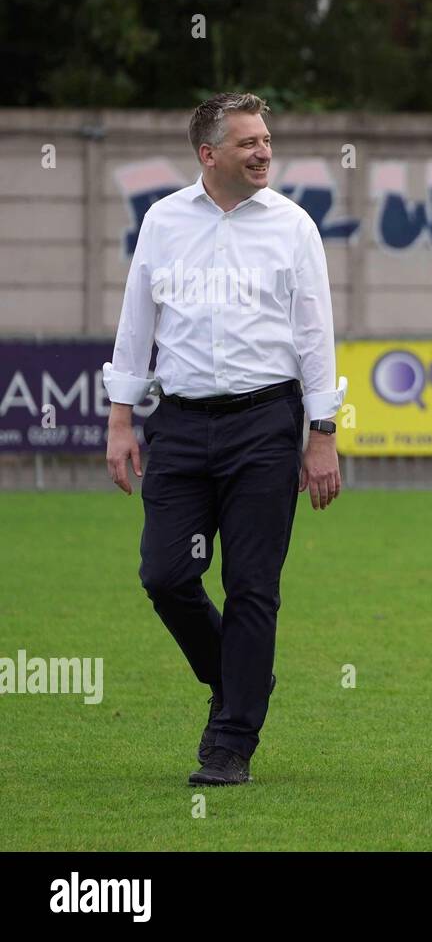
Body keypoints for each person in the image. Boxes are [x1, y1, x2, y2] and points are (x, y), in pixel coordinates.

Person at [103, 92, 346, 786]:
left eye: (266, 139)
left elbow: (314, 333)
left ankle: (230, 741)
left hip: (265, 424)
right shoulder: (163, 221)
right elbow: (136, 321)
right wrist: (120, 418)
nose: (264, 151)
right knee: (166, 574)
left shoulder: (294, 226)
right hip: (177, 423)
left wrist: (322, 431)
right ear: (208, 154)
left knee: (252, 585)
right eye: (248, 142)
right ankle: (242, 677)